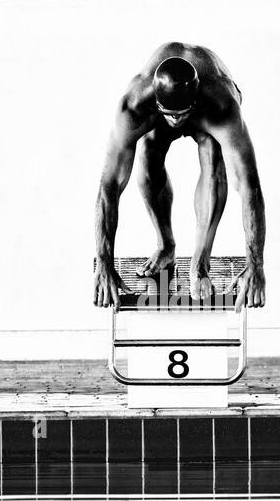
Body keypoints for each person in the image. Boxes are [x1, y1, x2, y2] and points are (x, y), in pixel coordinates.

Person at [92, 42, 266, 308]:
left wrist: (255, 266)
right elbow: (109, 186)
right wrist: (104, 265)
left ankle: (201, 259)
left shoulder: (221, 104)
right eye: (170, 116)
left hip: (207, 109)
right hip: (159, 113)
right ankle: (165, 245)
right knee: (150, 148)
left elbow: (249, 186)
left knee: (212, 151)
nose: (176, 122)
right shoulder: (134, 105)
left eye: (181, 115)